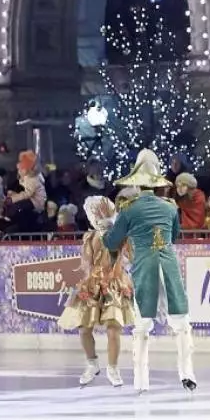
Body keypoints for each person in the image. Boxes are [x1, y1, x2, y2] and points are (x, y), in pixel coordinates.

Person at [101, 149, 196, 394]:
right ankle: (188, 374)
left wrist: (105, 230)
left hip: (145, 267)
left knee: (142, 325)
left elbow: (111, 243)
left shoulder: (129, 210)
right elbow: (174, 236)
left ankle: (141, 382)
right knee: (181, 321)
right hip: (168, 264)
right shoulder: (169, 208)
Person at [59, 196, 138, 388]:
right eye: (96, 212)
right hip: (93, 282)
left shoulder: (121, 234)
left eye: (101, 211)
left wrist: (119, 235)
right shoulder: (90, 237)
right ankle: (92, 363)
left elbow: (131, 256)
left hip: (114, 282)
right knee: (84, 328)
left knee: (113, 328)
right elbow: (86, 263)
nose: (99, 215)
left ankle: (113, 368)